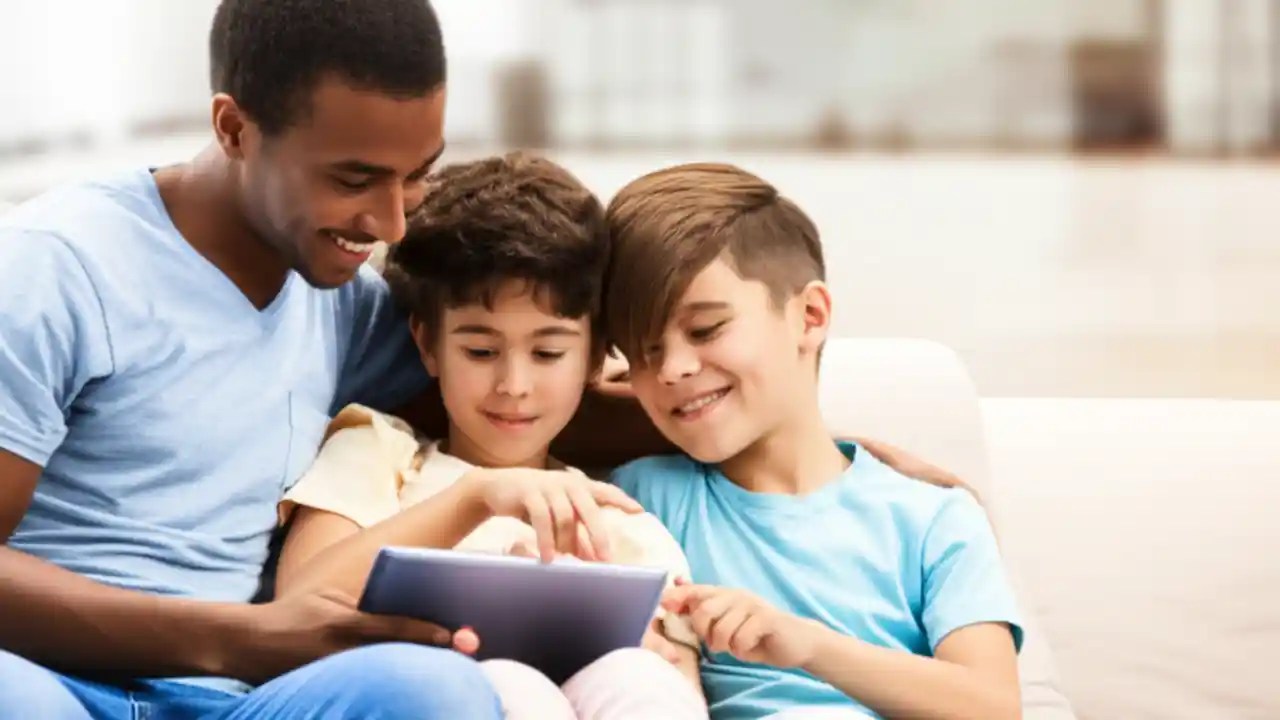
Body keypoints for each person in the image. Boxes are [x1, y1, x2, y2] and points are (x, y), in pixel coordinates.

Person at [0, 1, 506, 717]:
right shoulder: (57, 264)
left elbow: (507, 395)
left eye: (416, 174)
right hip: (41, 679)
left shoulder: (344, 305)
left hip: (226, 703)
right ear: (235, 130)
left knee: (434, 691)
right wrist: (243, 638)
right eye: (354, 179)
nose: (391, 222)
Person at [272, 152, 708, 719]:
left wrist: (647, 651)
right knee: (506, 685)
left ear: (596, 355)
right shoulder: (379, 450)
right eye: (480, 351)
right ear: (428, 344)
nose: (514, 385)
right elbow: (298, 607)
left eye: (549, 353)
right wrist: (474, 499)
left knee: (637, 677)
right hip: (432, 696)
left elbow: (680, 683)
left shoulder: (617, 516)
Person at [602, 163, 1024, 720]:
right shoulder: (639, 501)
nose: (673, 369)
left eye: (705, 330)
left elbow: (993, 708)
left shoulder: (933, 518)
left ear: (810, 315)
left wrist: (808, 647)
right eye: (643, 352)